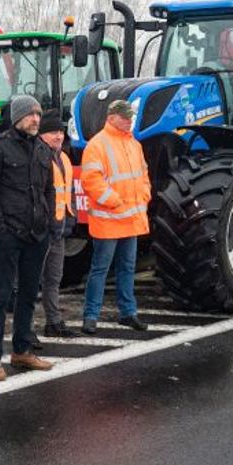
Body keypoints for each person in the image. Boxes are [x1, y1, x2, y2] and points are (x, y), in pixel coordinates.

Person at [0, 94, 55, 380]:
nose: (36, 119)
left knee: (29, 296)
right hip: (8, 235)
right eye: (31, 114)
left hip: (36, 235)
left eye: (38, 114)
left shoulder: (42, 149)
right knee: (1, 295)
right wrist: (0, 231)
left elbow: (49, 189)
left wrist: (49, 220)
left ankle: (22, 351)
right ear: (17, 117)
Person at [80, 98, 152, 333]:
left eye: (131, 117)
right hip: (109, 220)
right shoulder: (97, 145)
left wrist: (144, 195)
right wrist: (116, 202)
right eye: (126, 117)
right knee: (101, 268)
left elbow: (143, 174)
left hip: (128, 219)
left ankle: (127, 313)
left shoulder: (134, 145)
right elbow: (91, 181)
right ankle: (91, 316)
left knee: (126, 268)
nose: (130, 121)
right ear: (112, 118)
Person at [38, 109, 78, 338]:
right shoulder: (38, 157)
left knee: (54, 278)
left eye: (60, 132)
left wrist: (70, 218)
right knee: (32, 281)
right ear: (42, 134)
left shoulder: (63, 157)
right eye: (52, 132)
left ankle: (53, 322)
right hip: (42, 230)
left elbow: (67, 192)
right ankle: (23, 331)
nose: (58, 136)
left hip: (59, 229)